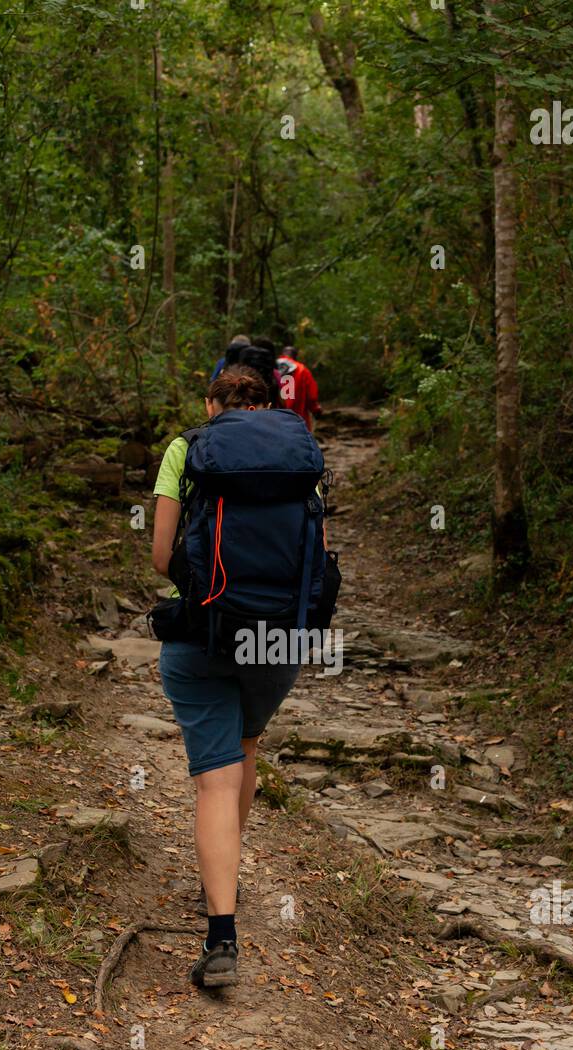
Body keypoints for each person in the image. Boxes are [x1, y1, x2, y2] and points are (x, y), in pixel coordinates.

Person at [151, 366, 327, 989]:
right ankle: (224, 871)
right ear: (271, 405)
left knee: (214, 781)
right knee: (245, 748)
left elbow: (160, 553)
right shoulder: (299, 452)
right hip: (279, 637)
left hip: (204, 632)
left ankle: (221, 932)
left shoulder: (187, 447)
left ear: (212, 404)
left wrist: (209, 592)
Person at [276, 346, 322, 430]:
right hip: (297, 418)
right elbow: (311, 396)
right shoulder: (302, 370)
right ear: (295, 356)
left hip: (274, 418)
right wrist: (315, 409)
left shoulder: (272, 366)